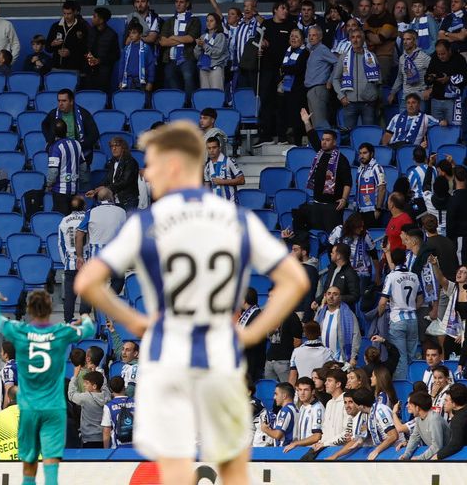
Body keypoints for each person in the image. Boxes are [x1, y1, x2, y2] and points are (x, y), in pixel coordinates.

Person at [76, 122, 309, 485]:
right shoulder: (235, 219)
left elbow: (87, 280)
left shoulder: (148, 223)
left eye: (152, 164)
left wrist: (137, 323)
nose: (147, 173)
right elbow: (295, 279)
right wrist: (254, 334)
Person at [0, 289, 94, 485]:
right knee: (51, 461)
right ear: (50, 308)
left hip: (29, 408)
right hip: (53, 407)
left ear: (28, 310)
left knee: (29, 462)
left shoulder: (19, 330)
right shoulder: (61, 332)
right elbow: (90, 329)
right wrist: (84, 317)